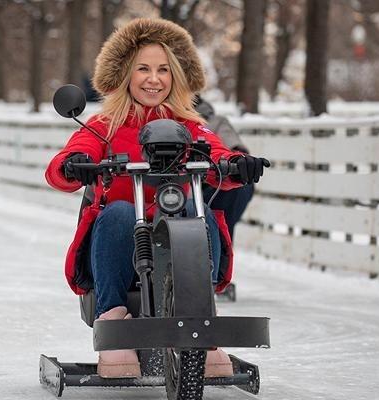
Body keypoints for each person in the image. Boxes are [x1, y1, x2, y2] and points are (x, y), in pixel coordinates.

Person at [44, 18, 268, 379]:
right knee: (118, 212)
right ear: (125, 75)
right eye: (143, 69)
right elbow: (63, 164)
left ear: (176, 76)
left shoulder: (191, 126)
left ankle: (204, 326)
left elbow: (217, 155)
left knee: (202, 217)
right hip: (119, 240)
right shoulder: (104, 125)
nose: (154, 78)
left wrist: (236, 165)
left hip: (175, 236)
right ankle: (113, 318)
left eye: (163, 70)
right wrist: (76, 164)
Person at [195, 95, 255, 238]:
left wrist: (238, 161)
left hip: (207, 190)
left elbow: (232, 148)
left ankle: (221, 246)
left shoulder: (215, 122)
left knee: (240, 185)